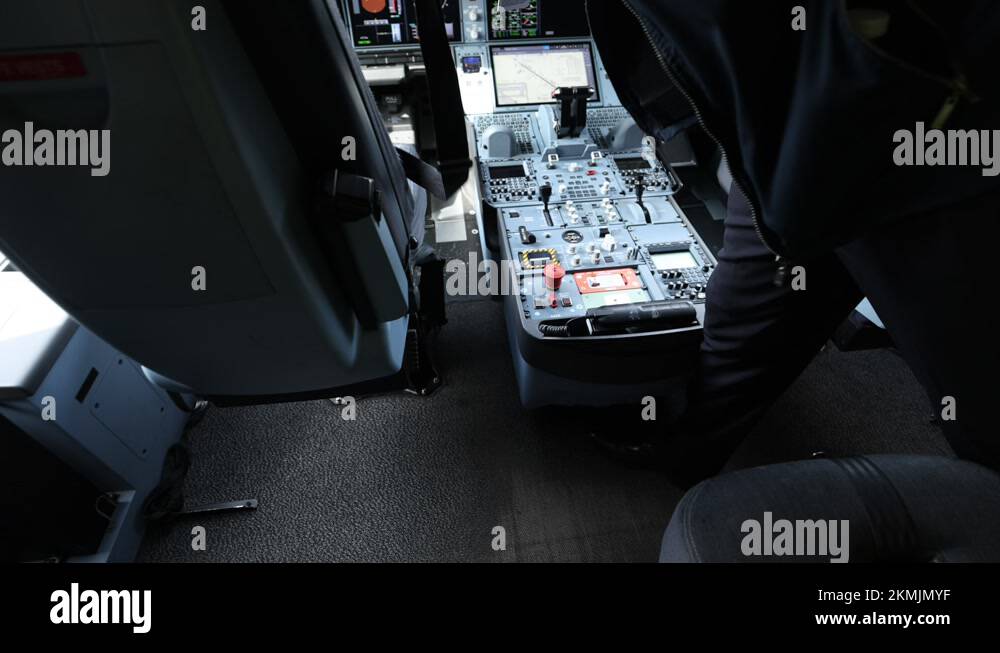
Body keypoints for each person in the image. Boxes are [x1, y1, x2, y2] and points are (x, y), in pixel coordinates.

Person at [586, 0, 1000, 487]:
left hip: (925, 141)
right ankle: (689, 445)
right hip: (793, 123)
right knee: (744, 310)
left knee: (978, 396)